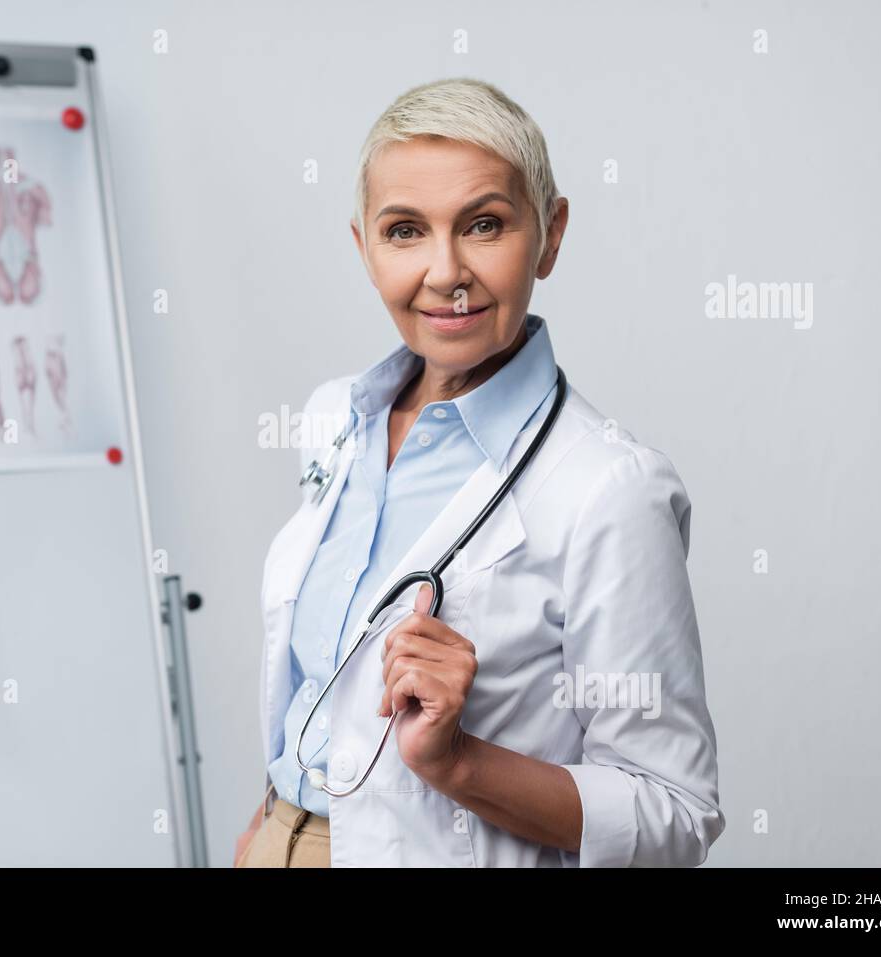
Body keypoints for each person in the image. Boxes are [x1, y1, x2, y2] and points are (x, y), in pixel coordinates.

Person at [235, 78, 724, 867]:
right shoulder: (336, 420)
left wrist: (458, 762)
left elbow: (674, 811)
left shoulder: (608, 488)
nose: (445, 270)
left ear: (551, 234)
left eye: (485, 224)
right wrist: (273, 830)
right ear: (363, 247)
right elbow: (317, 683)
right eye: (404, 231)